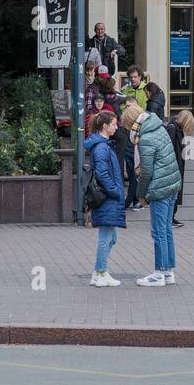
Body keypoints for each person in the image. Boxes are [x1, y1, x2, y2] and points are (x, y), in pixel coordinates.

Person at [123, 102, 181, 287]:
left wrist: (141, 195)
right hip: (172, 184)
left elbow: (146, 171)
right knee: (166, 230)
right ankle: (169, 272)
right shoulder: (158, 126)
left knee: (158, 232)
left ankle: (158, 273)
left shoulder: (146, 137)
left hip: (160, 188)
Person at [85, 109, 125, 287]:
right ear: (105, 126)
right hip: (107, 197)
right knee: (106, 236)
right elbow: (102, 174)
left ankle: (98, 271)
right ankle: (101, 272)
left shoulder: (103, 145)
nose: (116, 127)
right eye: (114, 124)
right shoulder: (102, 147)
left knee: (111, 237)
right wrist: (115, 190)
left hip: (107, 196)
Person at [121, 66, 149, 207]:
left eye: (135, 77)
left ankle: (137, 197)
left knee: (137, 166)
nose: (133, 79)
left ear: (140, 77)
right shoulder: (127, 90)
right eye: (131, 77)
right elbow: (121, 107)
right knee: (131, 165)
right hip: (128, 131)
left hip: (140, 130)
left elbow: (145, 110)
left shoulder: (145, 90)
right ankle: (134, 197)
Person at [167, 109, 194, 226]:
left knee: (175, 192)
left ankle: (171, 217)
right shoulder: (173, 129)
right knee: (173, 193)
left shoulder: (175, 128)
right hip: (174, 166)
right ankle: (169, 218)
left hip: (177, 164)